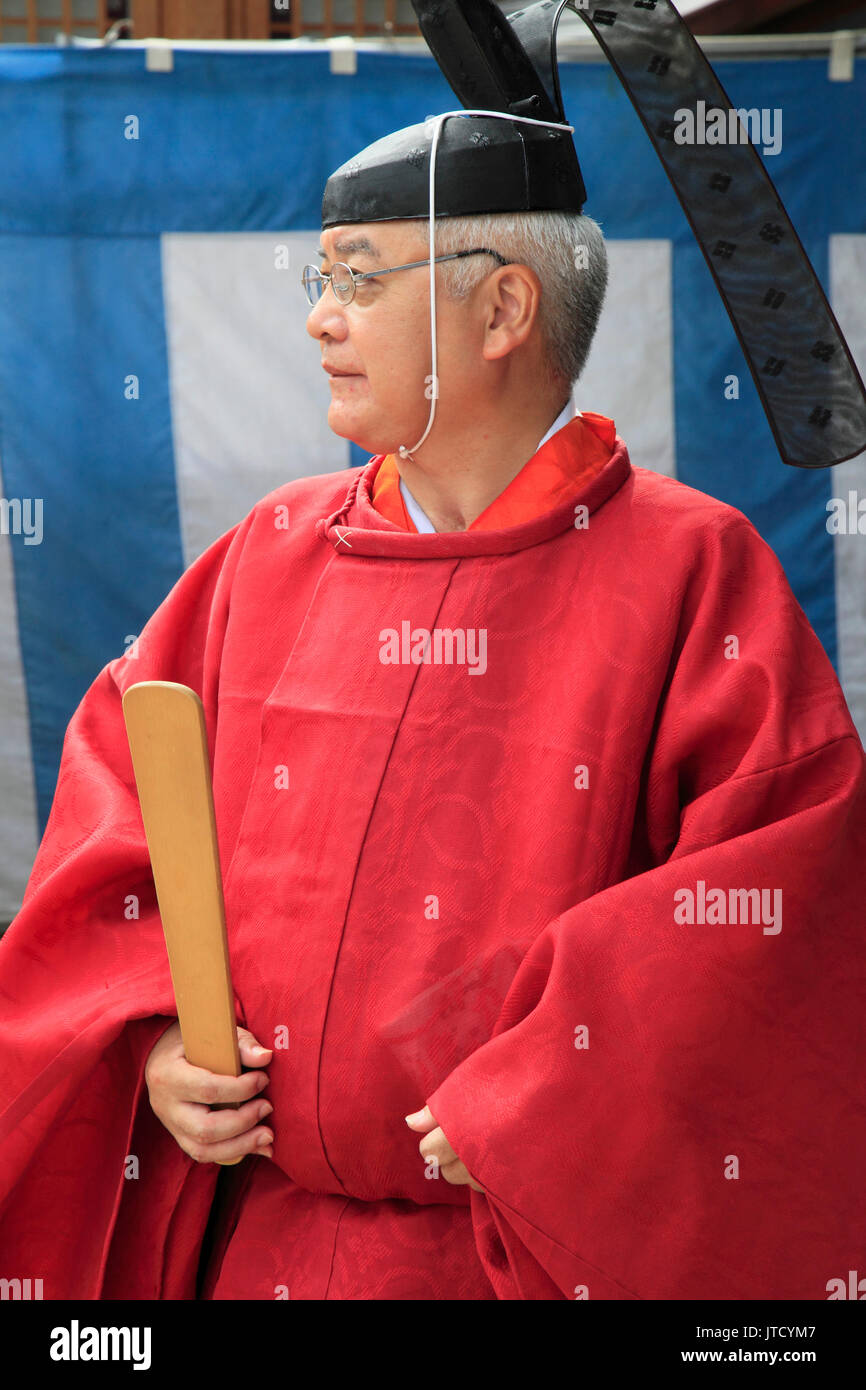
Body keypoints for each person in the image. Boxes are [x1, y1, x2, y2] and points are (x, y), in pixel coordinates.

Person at [1, 0, 865, 1302]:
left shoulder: (688, 569)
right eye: (319, 281)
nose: (318, 320)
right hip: (265, 1247)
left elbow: (773, 904)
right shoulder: (263, 557)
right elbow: (123, 807)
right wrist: (151, 1035)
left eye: (356, 276)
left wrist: (551, 1090)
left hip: (515, 1255)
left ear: (503, 304)